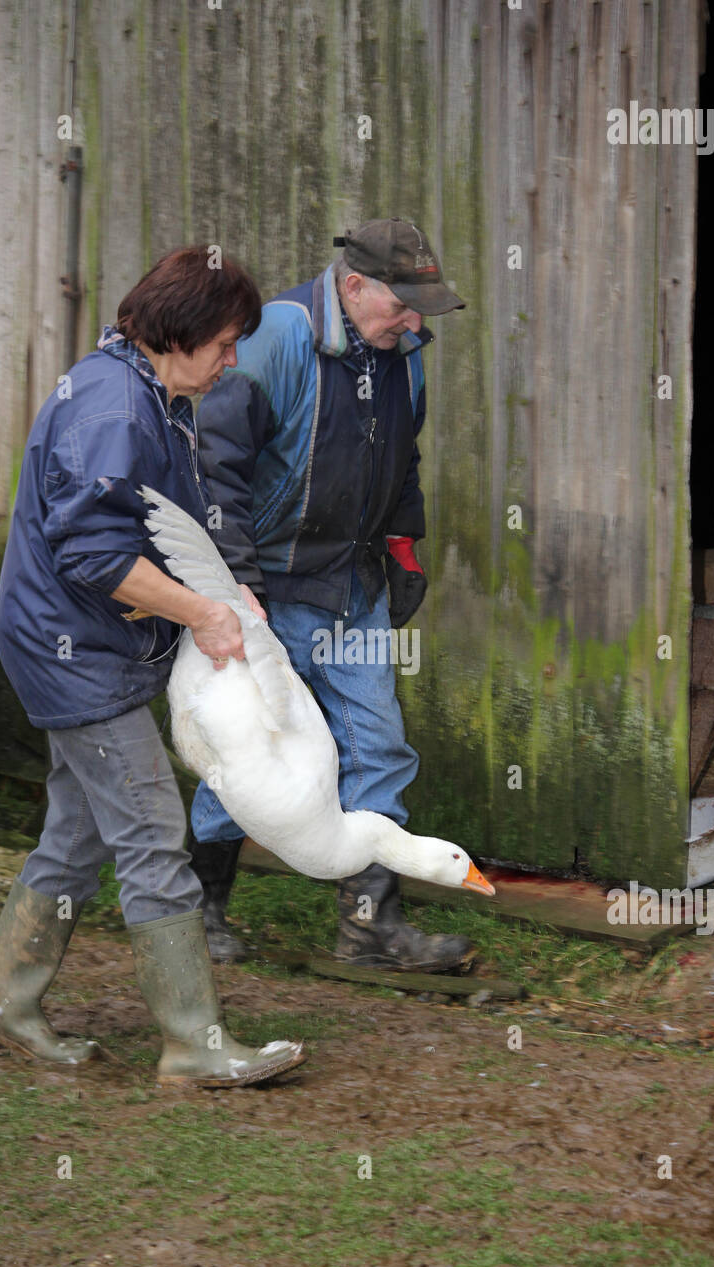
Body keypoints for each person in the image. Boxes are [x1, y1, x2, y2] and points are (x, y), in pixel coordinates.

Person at [0, 246, 305, 1088]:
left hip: (84, 644)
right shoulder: (118, 407)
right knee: (154, 834)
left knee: (77, 833)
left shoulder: (142, 388)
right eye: (226, 343)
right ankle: (193, 1043)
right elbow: (93, 553)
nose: (232, 362)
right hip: (76, 654)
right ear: (182, 332)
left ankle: (5, 1010)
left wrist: (226, 595)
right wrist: (204, 615)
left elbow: (158, 526)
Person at [189, 217, 478, 973]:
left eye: (421, 307)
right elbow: (214, 466)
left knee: (377, 744)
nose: (414, 321)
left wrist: (402, 544)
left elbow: (400, 462)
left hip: (351, 586)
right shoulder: (276, 339)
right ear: (353, 286)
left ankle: (370, 929)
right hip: (267, 588)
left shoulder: (402, 353)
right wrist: (235, 588)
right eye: (401, 304)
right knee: (249, 757)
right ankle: (198, 911)